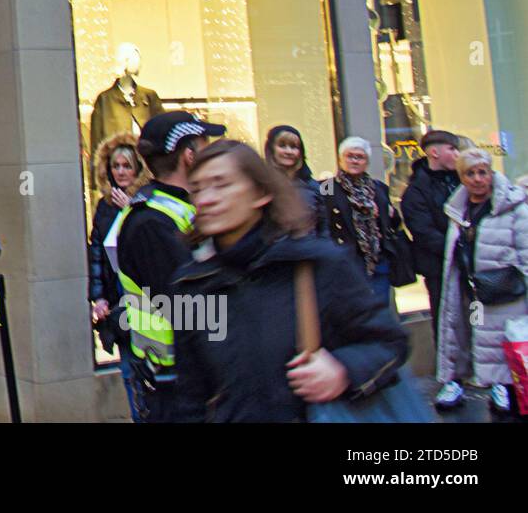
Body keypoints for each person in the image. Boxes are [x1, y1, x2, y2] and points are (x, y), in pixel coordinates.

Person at [173, 141, 410, 422]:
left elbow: (389, 343)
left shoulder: (316, 265)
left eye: (221, 184)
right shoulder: (193, 285)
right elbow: (189, 396)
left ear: (261, 193)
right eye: (197, 189)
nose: (206, 199)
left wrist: (342, 370)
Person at [106, 110, 225, 423]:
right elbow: (188, 306)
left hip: (191, 375)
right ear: (189, 156)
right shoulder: (150, 222)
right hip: (176, 382)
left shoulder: (178, 207)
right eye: (204, 145)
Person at [435, 148, 528, 417]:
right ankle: (477, 381)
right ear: (462, 177)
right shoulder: (458, 207)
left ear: (491, 173)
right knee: (473, 333)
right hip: (470, 289)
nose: (477, 179)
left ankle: (501, 384)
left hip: (505, 290)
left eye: (482, 172)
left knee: (500, 338)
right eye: (470, 173)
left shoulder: (515, 207)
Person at [87, 133, 150, 420]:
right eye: (116, 166)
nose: (121, 172)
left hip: (149, 303)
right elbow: (97, 252)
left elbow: (149, 245)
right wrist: (98, 297)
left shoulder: (146, 202)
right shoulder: (103, 206)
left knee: (150, 371)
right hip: (118, 301)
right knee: (128, 371)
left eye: (127, 166)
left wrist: (130, 210)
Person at [322, 137, 406, 303]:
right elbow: (322, 221)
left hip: (377, 263)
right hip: (346, 263)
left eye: (359, 157)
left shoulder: (378, 187)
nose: (354, 160)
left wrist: (387, 215)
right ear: (340, 159)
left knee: (379, 313)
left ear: (366, 162)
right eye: (349, 156)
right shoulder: (327, 186)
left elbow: (393, 223)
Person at [399, 130, 461, 352]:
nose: (457, 154)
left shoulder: (461, 181)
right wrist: (459, 248)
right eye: (452, 149)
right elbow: (423, 232)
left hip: (469, 267)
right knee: (445, 321)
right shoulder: (416, 191)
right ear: (434, 152)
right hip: (439, 269)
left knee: (476, 317)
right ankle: (450, 375)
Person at [263, 125, 326, 236]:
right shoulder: (260, 184)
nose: (289, 151)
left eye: (294, 147)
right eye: (282, 146)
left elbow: (324, 228)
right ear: (271, 149)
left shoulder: (313, 186)